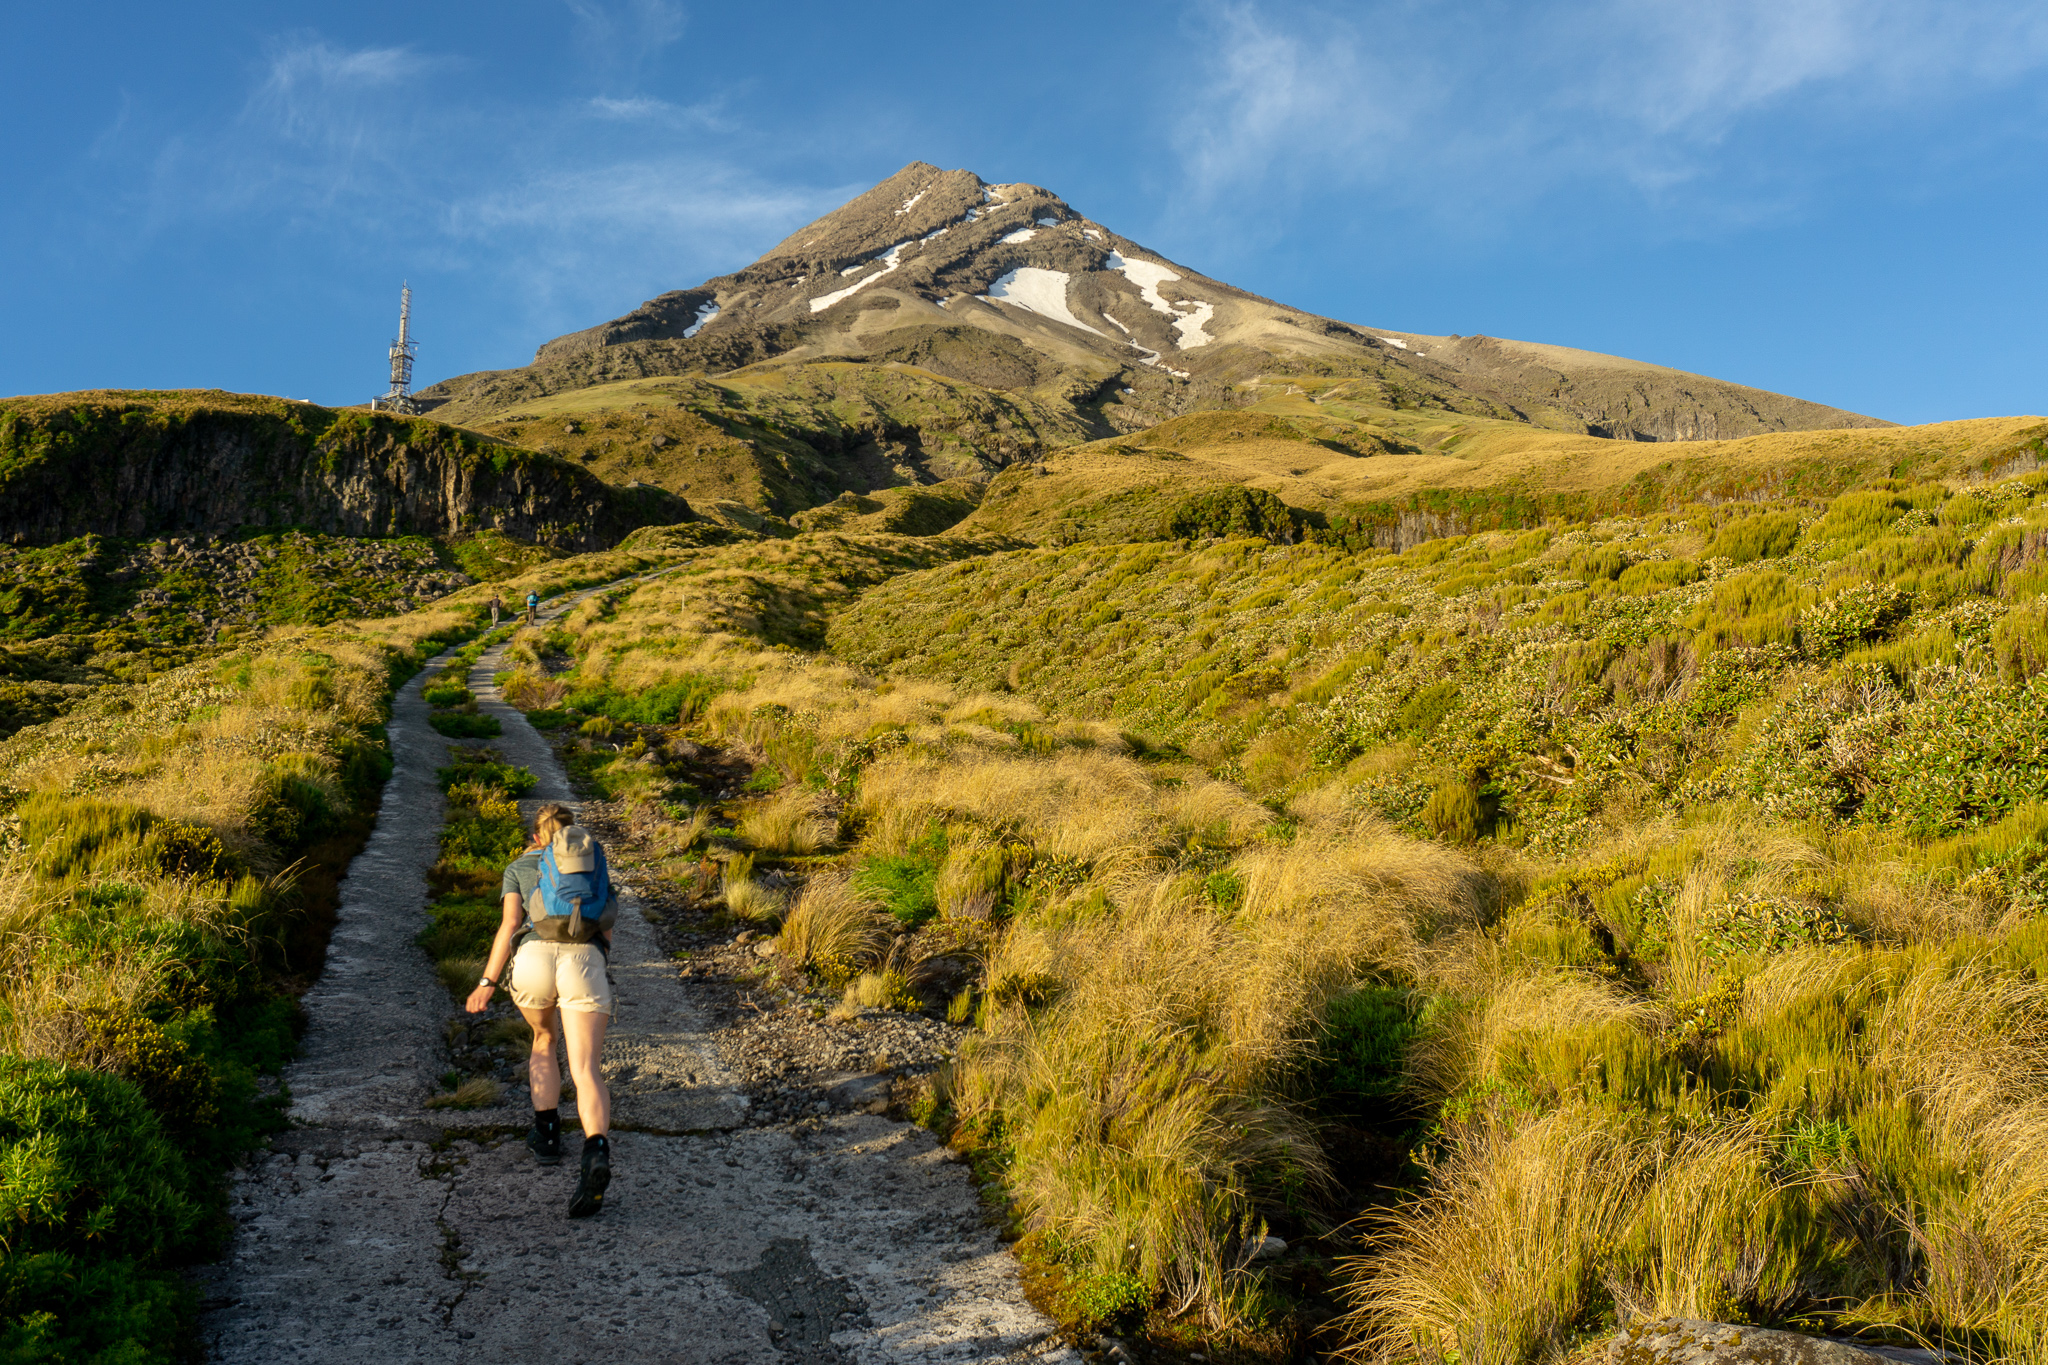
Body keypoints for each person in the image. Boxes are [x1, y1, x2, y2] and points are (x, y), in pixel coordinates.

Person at [467, 803, 619, 1218]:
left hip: (533, 958)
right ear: (574, 834)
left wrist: (487, 982)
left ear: (537, 837)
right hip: (583, 960)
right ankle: (595, 1151)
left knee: (543, 1039)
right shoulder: (592, 863)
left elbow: (510, 924)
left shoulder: (520, 866)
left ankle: (548, 1135)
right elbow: (606, 926)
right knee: (586, 1067)